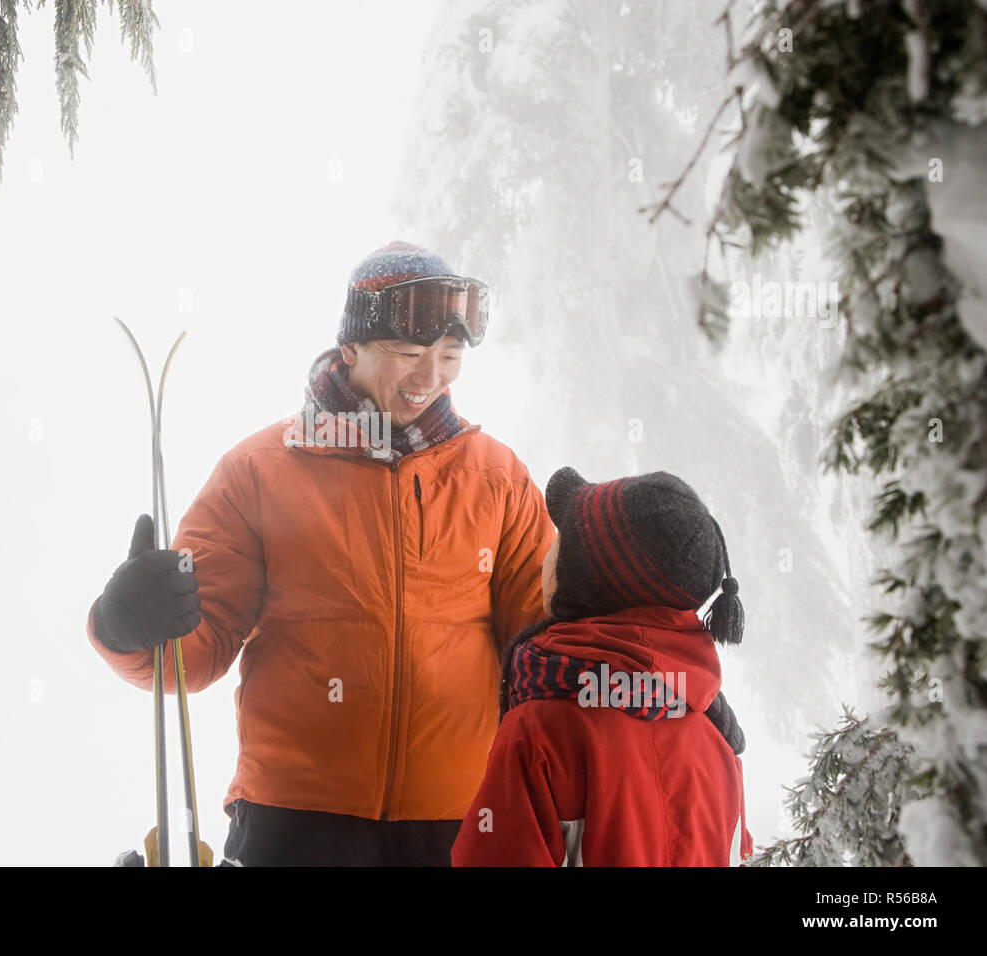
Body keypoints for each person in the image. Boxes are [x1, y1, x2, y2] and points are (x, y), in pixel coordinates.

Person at [87, 240, 555, 865]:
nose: (431, 378)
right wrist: (130, 630)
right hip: (297, 822)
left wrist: (654, 679)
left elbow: (548, 641)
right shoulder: (259, 471)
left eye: (450, 356)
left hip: (462, 819)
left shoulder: (497, 480)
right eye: (409, 354)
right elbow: (192, 654)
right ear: (351, 348)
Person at [452, 466, 754, 866]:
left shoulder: (541, 731)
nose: (549, 554)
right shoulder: (716, 737)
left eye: (563, 542)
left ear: (587, 581)